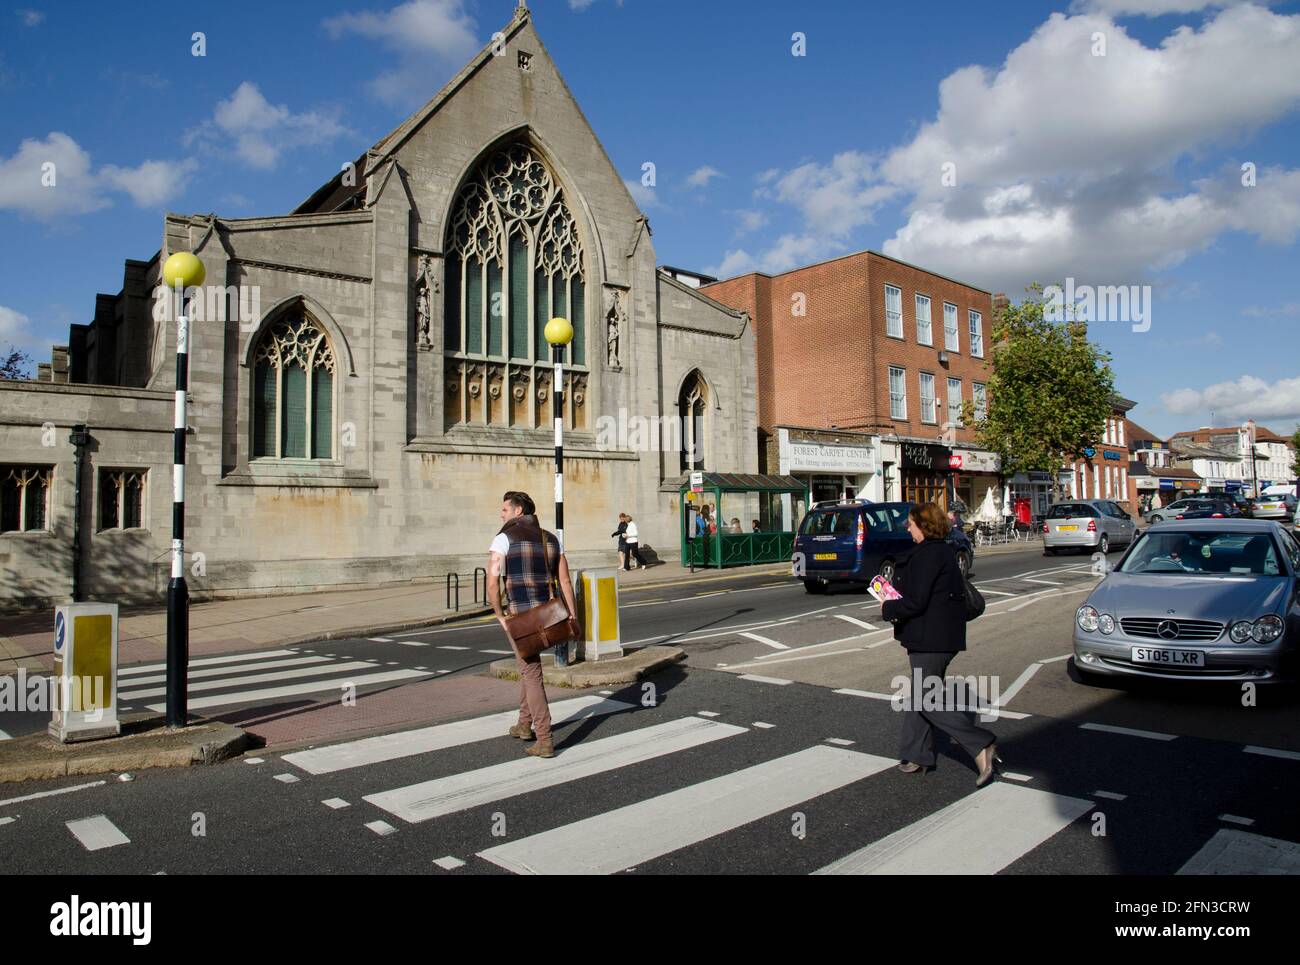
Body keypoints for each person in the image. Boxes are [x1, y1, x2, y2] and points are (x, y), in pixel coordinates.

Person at [881, 502, 1000, 786]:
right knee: (920, 693)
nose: (907, 528)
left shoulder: (928, 556)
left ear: (923, 525)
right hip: (938, 636)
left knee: (925, 699)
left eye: (910, 523)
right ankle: (916, 754)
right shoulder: (942, 551)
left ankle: (981, 745)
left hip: (930, 638)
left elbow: (916, 601)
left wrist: (888, 607)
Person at [487, 490, 579, 759]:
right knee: (529, 667)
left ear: (518, 511)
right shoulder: (551, 539)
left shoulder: (503, 538)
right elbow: (564, 582)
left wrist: (499, 615)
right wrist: (572, 615)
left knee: (531, 673)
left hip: (520, 618)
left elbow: (492, 583)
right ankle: (524, 724)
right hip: (548, 618)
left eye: (505, 509)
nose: (501, 513)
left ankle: (545, 737)